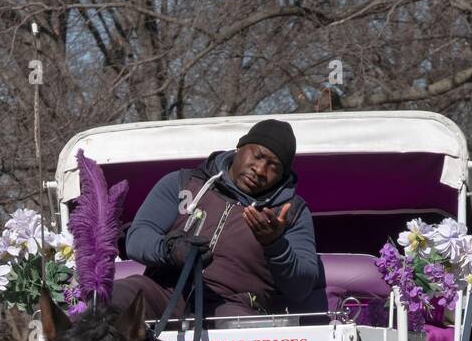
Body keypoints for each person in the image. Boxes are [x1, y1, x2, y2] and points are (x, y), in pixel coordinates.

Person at [111, 119, 324, 321]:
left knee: (244, 333)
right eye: (257, 155)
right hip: (165, 292)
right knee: (116, 296)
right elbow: (137, 239)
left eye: (273, 167)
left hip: (236, 306)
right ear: (240, 147)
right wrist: (171, 249)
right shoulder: (183, 183)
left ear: (282, 175)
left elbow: (301, 287)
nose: (260, 170)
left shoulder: (290, 212)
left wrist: (275, 245)